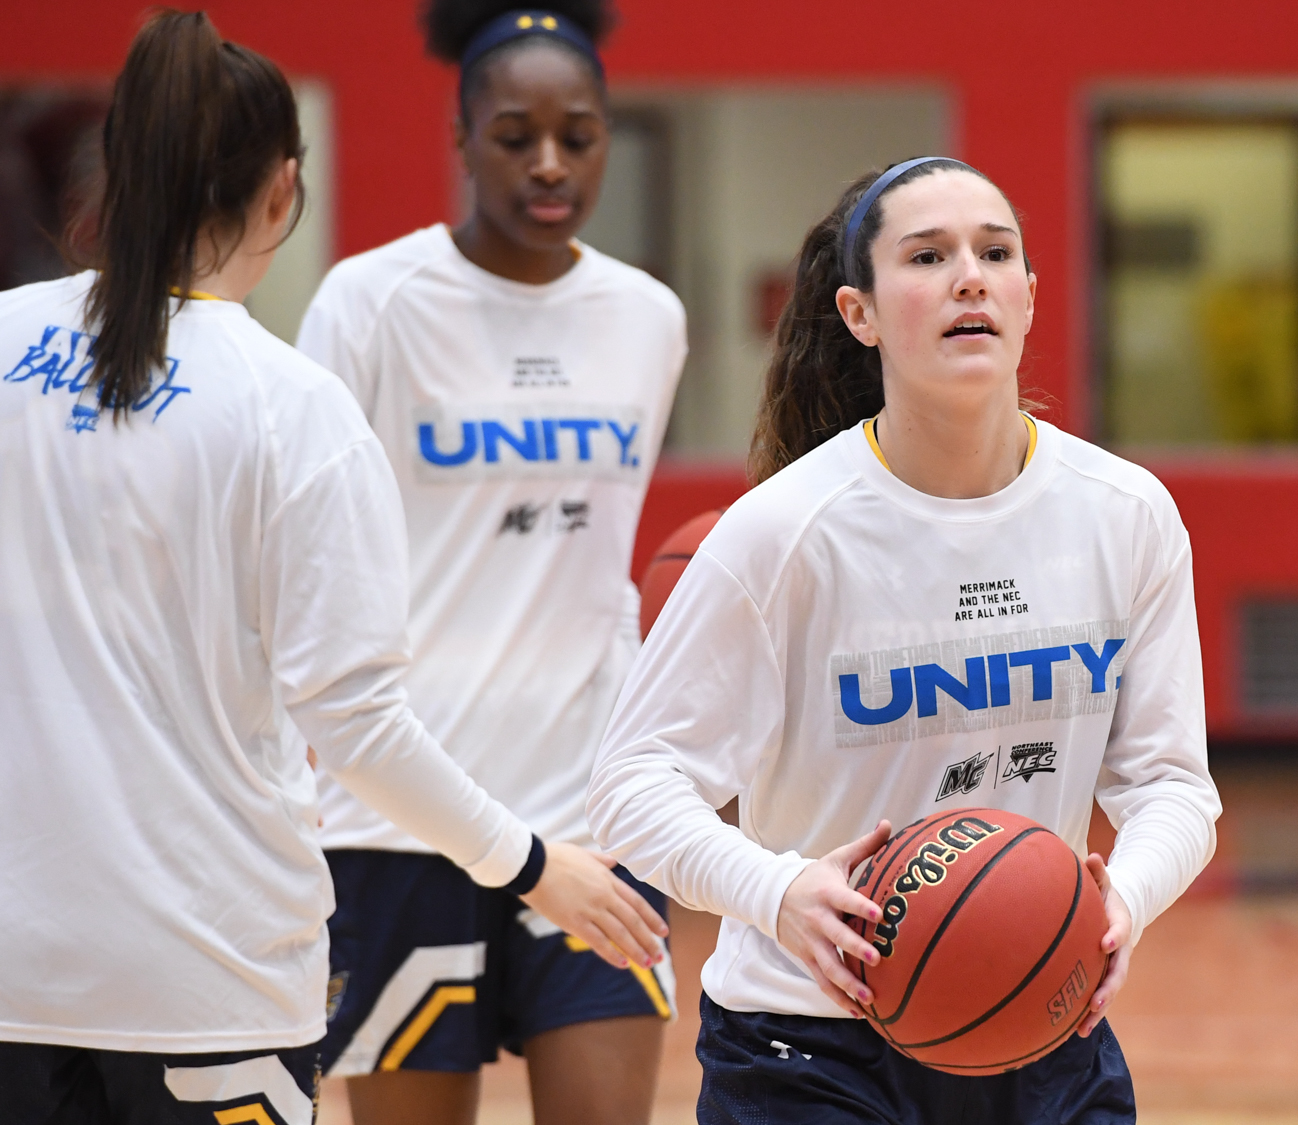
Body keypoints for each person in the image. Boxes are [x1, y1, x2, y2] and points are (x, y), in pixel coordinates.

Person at [0, 12, 662, 1125]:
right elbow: (352, 719)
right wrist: (538, 864)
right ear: (281, 191)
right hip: (209, 978)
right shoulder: (292, 405)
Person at [589, 156, 1222, 1123]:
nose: (970, 274)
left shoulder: (1126, 513)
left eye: (994, 252)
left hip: (1045, 1020)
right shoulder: (780, 533)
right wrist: (779, 890)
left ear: (1030, 298)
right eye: (928, 255)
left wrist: (1118, 900)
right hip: (809, 1043)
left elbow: (1173, 784)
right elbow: (631, 787)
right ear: (861, 313)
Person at [296, 2, 688, 1120]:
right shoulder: (369, 305)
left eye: (579, 133)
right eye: (515, 135)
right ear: (462, 138)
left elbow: (604, 558)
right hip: (400, 827)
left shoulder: (647, 318)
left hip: (593, 812)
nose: (550, 162)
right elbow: (312, 564)